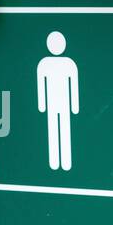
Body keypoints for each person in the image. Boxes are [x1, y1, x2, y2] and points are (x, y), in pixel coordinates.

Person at [36, 31, 80, 171]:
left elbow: (74, 85)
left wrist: (74, 105)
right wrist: (42, 105)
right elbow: (40, 85)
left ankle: (66, 162)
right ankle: (54, 161)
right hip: (52, 105)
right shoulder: (43, 64)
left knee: (64, 129)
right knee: (53, 130)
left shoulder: (70, 63)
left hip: (64, 104)